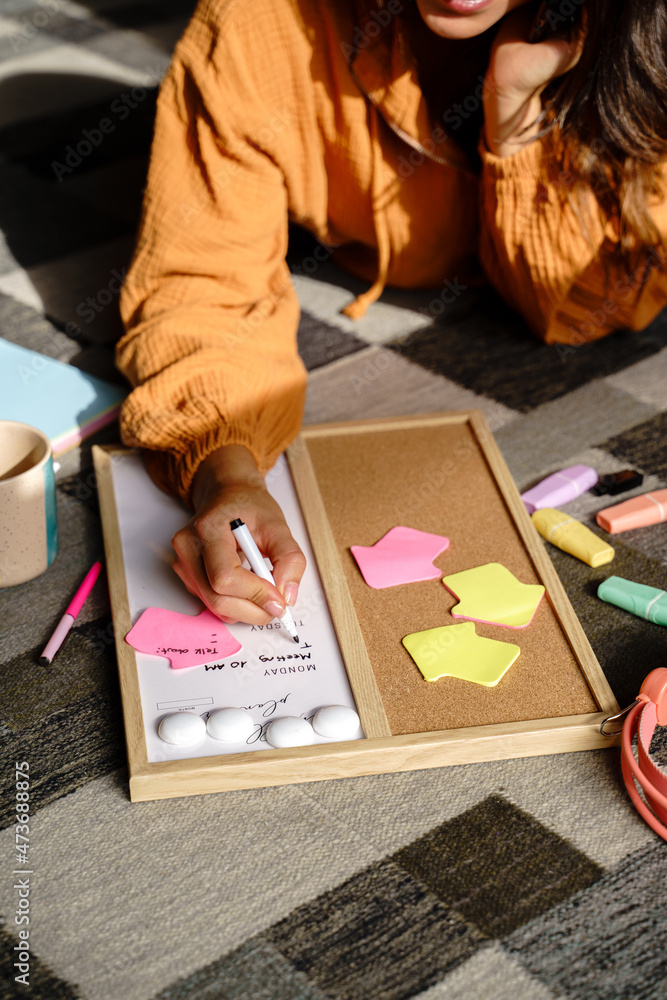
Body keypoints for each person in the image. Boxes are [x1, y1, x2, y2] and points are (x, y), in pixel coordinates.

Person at [116, 0, 667, 628]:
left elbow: (593, 308)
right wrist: (228, 478)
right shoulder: (257, 23)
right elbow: (201, 286)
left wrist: (513, 119)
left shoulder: (629, 32)